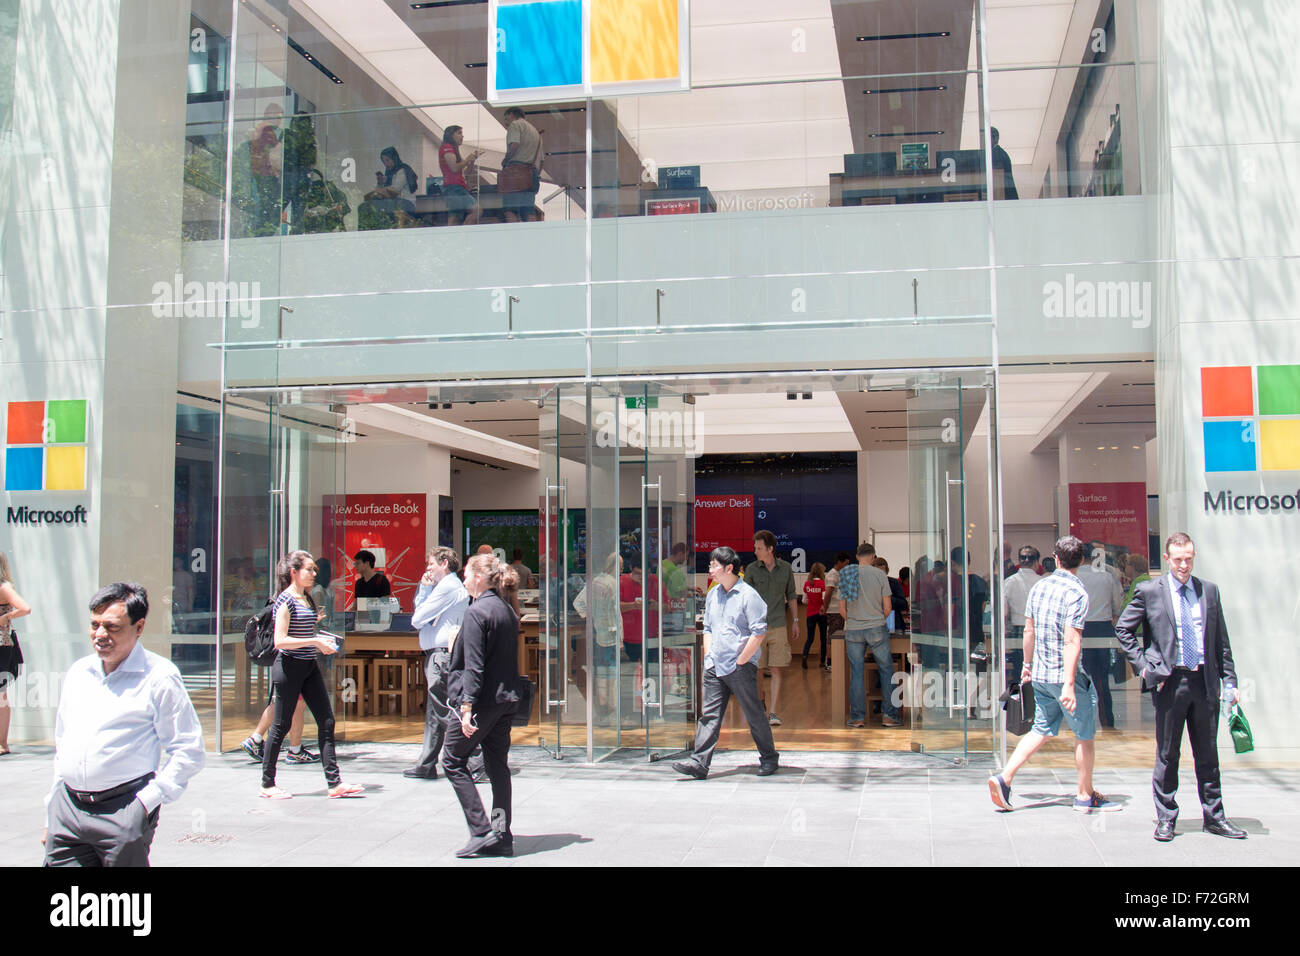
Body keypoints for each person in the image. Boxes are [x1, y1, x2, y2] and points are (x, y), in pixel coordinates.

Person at [42, 583, 205, 866]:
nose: (100, 635)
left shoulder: (159, 677)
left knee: (121, 909)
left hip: (123, 809)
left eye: (112, 626)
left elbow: (189, 750)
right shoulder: (79, 672)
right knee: (68, 909)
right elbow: (63, 741)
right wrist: (52, 807)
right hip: (67, 809)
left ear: (139, 627)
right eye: (94, 625)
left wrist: (144, 804)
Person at [1114, 532, 1245, 841]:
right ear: (1168, 559)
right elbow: (1124, 629)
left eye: (1188, 559)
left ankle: (1214, 816)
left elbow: (1220, 641)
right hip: (1170, 682)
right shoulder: (1150, 591)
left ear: (1193, 557)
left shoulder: (1208, 591)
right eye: (1178, 560)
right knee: (1168, 754)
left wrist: (1230, 681)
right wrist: (1145, 668)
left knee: (1208, 755)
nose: (1183, 565)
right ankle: (1166, 817)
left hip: (1204, 681)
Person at [987, 536, 1120, 814]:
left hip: (1042, 674)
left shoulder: (1040, 587)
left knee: (1041, 729)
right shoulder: (1077, 593)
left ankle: (1005, 777)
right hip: (1065, 676)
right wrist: (1070, 684)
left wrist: (1027, 665)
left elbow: (1028, 631)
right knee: (1084, 734)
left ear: (1056, 559)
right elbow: (1073, 640)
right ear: (1081, 561)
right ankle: (1084, 795)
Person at [259, 551, 362, 799]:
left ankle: (334, 782)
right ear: (294, 572)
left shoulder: (305, 598)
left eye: (315, 569)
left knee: (326, 720)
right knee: (281, 725)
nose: (314, 574)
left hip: (308, 666)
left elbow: (301, 632)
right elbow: (280, 641)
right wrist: (315, 639)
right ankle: (267, 784)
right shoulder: (286, 600)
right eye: (309, 569)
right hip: (289, 667)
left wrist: (316, 632)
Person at [672, 547, 779, 780]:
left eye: (714, 565)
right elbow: (707, 627)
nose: (710, 569)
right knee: (709, 715)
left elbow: (758, 632)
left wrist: (741, 660)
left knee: (753, 714)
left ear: (729, 568)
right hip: (714, 665)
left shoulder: (749, 596)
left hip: (739, 666)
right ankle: (699, 763)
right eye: (710, 564)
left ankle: (769, 757)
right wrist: (709, 656)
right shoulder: (713, 594)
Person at [442, 553, 522, 857]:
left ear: (478, 577)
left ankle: (482, 830)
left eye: (466, 573)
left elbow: (474, 666)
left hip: (482, 702)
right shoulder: (505, 609)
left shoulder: (477, 612)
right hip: (505, 699)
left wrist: (466, 707)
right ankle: (502, 834)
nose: (463, 579)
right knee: (497, 767)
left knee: (451, 760)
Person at [404, 547, 471, 779]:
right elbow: (420, 614)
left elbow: (417, 618)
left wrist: (424, 590)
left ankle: (476, 758)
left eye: (431, 563)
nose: (428, 568)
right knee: (435, 712)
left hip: (441, 655)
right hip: (438, 654)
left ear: (444, 563)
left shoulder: (448, 587)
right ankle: (426, 764)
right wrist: (424, 588)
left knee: (445, 711)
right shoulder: (442, 587)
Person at [837, 543, 901, 728]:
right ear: (873, 556)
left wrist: (855, 620)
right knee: (886, 670)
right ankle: (889, 715)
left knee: (856, 672)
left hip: (854, 629)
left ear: (857, 557)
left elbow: (842, 608)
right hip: (876, 628)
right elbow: (888, 608)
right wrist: (876, 619)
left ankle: (857, 717)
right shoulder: (880, 575)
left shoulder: (847, 574)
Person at [744, 530, 798, 725]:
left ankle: (773, 711)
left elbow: (791, 595)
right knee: (758, 669)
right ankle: (761, 702)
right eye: (755, 547)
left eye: (759, 548)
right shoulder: (751, 569)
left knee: (776, 668)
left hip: (778, 624)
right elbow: (744, 599)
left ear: (770, 549)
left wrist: (795, 621)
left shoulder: (785, 569)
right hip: (756, 628)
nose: (755, 551)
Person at [1076, 542, 1123, 728]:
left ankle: (1083, 721)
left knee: (1081, 676)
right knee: (1102, 678)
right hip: (1103, 628)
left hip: (1081, 627)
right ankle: (1107, 720)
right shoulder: (1106, 577)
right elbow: (1117, 605)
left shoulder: (1076, 577)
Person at [0, 552, 33, 755]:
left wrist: (5, 618)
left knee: (0, 696)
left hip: (1, 647)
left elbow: (25, 608)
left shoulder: (4, 587)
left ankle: (2, 743)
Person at [1002, 546, 1041, 686]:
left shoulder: (1009, 582)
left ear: (1019, 561)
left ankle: (1020, 703)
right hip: (1038, 629)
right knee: (1038, 671)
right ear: (1036, 562)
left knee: (1019, 670)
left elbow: (1004, 612)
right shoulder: (1041, 582)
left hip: (1017, 630)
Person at [500, 106, 542, 222]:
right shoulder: (536, 132)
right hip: (531, 173)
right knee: (528, 210)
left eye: (506, 118)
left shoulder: (515, 125)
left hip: (516, 172)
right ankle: (530, 237)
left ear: (512, 114)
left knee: (509, 209)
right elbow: (541, 161)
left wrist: (506, 160)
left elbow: (514, 145)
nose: (506, 122)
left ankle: (514, 238)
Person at [438, 126, 482, 226]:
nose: (462, 136)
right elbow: (454, 168)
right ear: (451, 135)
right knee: (476, 210)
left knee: (454, 218)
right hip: (454, 187)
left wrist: (472, 160)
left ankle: (458, 236)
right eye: (459, 133)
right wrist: (467, 160)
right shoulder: (447, 147)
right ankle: (464, 233)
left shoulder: (452, 149)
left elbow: (465, 174)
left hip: (456, 187)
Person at [820, 552, 853, 670]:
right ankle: (830, 662)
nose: (847, 566)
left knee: (836, 635)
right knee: (833, 636)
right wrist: (825, 606)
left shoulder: (839, 574)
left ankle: (834, 661)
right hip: (834, 611)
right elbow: (828, 592)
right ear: (839, 562)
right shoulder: (832, 575)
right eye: (846, 563)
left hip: (839, 610)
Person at [800, 563, 827, 668]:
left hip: (810, 613)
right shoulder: (823, 584)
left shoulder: (807, 584)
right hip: (821, 614)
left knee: (810, 638)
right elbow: (825, 600)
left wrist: (811, 602)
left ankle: (804, 657)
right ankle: (822, 661)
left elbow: (804, 601)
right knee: (823, 638)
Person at [990, 126, 1018, 200]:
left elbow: (997, 174)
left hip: (1004, 194)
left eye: (990, 137)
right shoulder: (998, 152)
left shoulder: (997, 154)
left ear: (996, 138)